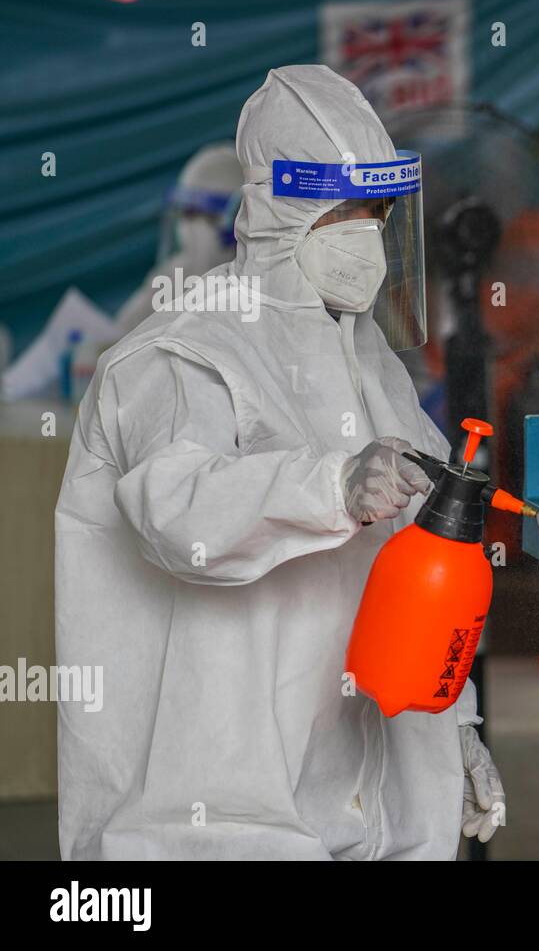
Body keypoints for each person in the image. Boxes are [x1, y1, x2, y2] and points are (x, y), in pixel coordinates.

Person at [55, 65, 503, 860]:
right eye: (345, 210)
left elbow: (417, 573)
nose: (367, 233)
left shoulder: (375, 366)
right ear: (275, 212)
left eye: (379, 211)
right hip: (211, 824)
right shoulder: (181, 355)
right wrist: (332, 482)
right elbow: (180, 509)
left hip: (372, 813)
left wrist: (453, 721)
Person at [115, 142, 244, 333]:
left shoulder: (259, 288)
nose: (187, 225)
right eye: (183, 213)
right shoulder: (174, 276)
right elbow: (116, 336)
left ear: (235, 221)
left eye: (197, 213)